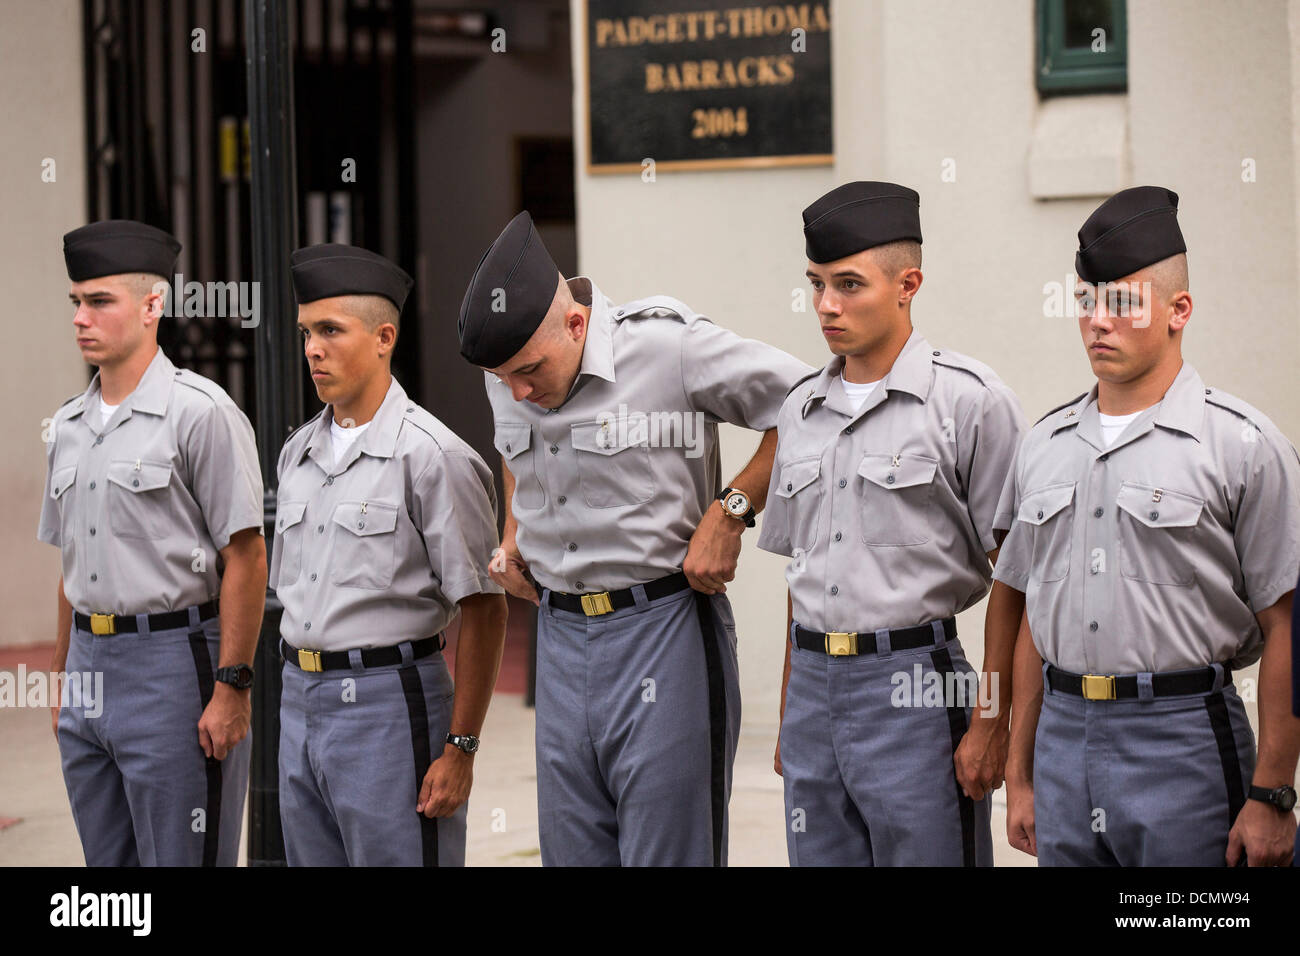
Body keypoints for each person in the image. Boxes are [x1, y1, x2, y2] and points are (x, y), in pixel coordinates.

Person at [457, 211, 811, 865]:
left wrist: (731, 509)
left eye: (530, 370)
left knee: (666, 852)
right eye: (504, 379)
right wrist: (514, 532)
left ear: (575, 322)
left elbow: (809, 405)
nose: (519, 391)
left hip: (663, 631)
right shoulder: (509, 373)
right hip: (559, 639)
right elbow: (516, 449)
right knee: (572, 851)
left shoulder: (666, 346)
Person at [991, 187, 1300, 865]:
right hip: (1064, 742)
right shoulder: (1044, 445)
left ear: (1178, 311)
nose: (1098, 321)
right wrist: (1020, 773)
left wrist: (1274, 791)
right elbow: (1030, 624)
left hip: (1182, 743)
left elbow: (1287, 624)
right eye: (1085, 301)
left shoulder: (1242, 446)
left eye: (1122, 302)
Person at [757, 181, 1025, 866]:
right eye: (816, 284)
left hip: (919, 685)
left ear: (909, 284)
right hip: (817, 688)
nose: (825, 306)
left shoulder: (969, 402)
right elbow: (804, 574)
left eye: (848, 285)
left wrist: (993, 720)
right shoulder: (801, 410)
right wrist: (793, 709)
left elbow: (1022, 581)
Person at [272, 243, 507, 866]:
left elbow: (484, 610)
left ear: (383, 337)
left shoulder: (434, 457)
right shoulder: (296, 454)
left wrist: (461, 748)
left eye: (330, 330)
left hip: (388, 705)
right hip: (299, 700)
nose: (312, 349)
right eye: (305, 332)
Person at [40, 219, 265, 866]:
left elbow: (246, 557)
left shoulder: (203, 413)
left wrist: (232, 686)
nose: (81, 317)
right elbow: (70, 562)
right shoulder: (69, 426)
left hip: (173, 665)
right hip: (90, 668)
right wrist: (61, 680)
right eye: (75, 302)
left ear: (152, 306)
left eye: (100, 301)